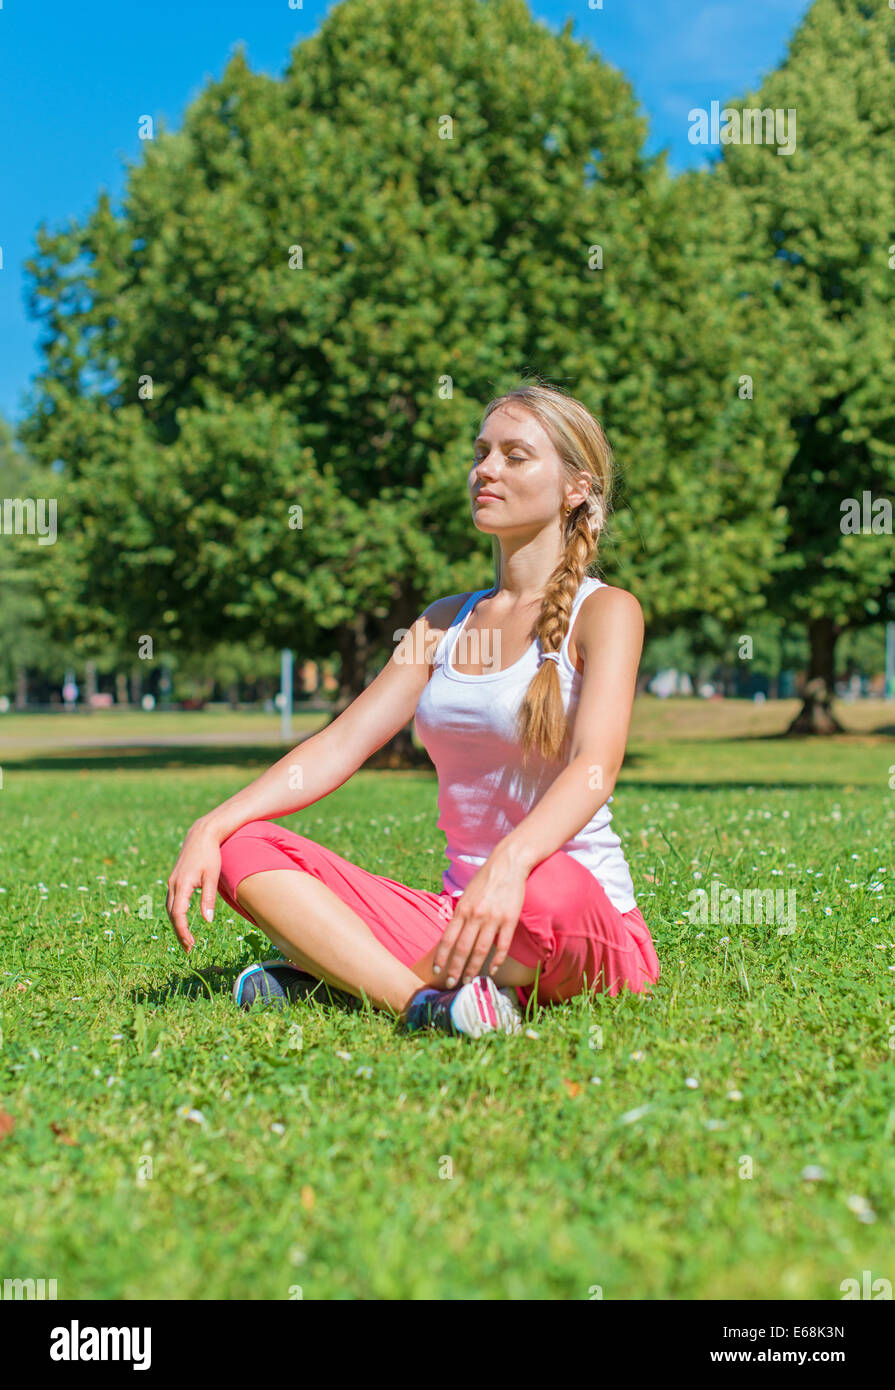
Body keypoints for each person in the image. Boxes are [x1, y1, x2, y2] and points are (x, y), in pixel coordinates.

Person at [165, 382, 659, 1039]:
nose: (485, 469)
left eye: (515, 455)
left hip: (575, 919)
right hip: (461, 915)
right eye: (482, 452)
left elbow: (596, 766)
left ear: (575, 487)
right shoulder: (441, 623)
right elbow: (343, 743)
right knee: (244, 847)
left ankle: (343, 975)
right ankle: (421, 1002)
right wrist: (213, 823)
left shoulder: (607, 612)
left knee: (552, 887)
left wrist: (510, 864)